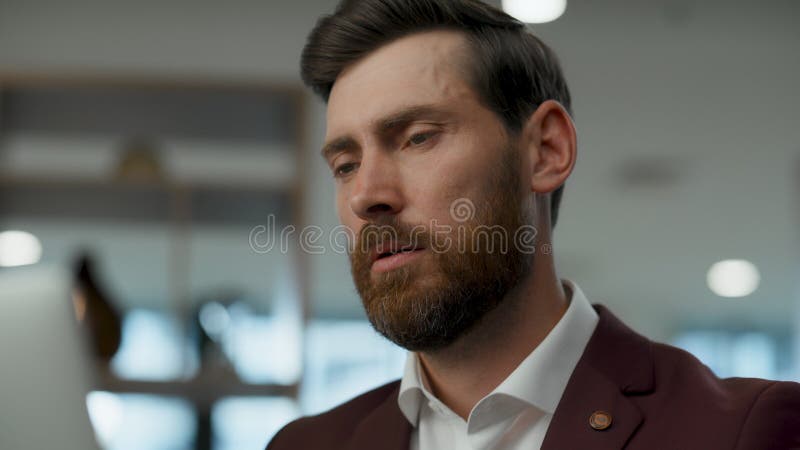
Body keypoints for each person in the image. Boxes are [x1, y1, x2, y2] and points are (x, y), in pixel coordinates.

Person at [268, 0, 800, 448]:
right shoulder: (306, 444)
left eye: (418, 137)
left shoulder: (736, 432)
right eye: (345, 165)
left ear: (546, 150)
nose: (365, 196)